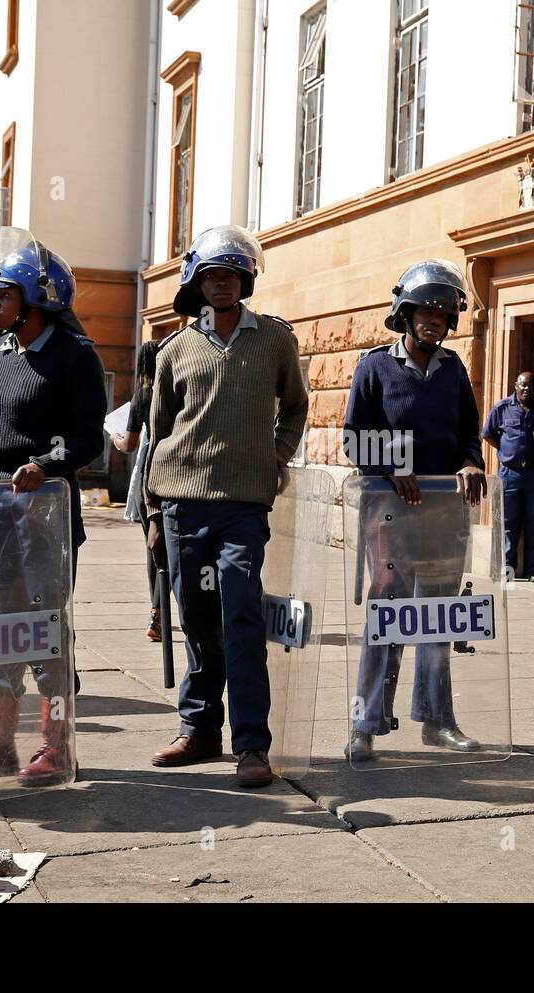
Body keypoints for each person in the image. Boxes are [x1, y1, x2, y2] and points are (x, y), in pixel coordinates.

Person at [0, 228, 107, 787]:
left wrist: (46, 463)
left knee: (44, 623)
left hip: (45, 506)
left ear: (36, 301)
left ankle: (56, 745)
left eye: (2, 295)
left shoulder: (73, 356)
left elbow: (87, 437)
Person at [145, 225, 308, 789]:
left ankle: (252, 746)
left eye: (230, 275)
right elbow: (157, 432)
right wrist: (150, 511)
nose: (220, 283)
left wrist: (276, 455)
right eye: (210, 275)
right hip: (182, 506)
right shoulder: (173, 349)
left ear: (246, 280)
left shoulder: (274, 340)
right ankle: (198, 729)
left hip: (243, 507)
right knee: (195, 622)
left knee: (240, 617)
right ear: (196, 282)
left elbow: (295, 407)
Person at [342, 259, 487, 762]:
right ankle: (365, 723)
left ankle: (437, 720)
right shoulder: (374, 367)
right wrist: (389, 461)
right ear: (404, 314)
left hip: (444, 512)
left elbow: (469, 434)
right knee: (389, 613)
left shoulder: (454, 371)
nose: (434, 319)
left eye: (443, 312)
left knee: (438, 616)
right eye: (424, 310)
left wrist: (471, 462)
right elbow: (353, 438)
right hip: (389, 511)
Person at [114, 338, 165, 642]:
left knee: (152, 547)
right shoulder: (177, 389)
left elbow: (129, 444)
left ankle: (155, 614)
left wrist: (115, 440)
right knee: (170, 547)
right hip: (171, 470)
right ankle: (159, 612)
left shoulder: (142, 396)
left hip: (146, 473)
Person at [483, 371, 534, 582]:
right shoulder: (502, 408)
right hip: (509, 473)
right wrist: (506, 453)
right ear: (515, 386)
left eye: (531, 385)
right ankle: (508, 569)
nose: (526, 389)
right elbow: (488, 434)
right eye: (522, 385)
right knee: (508, 522)